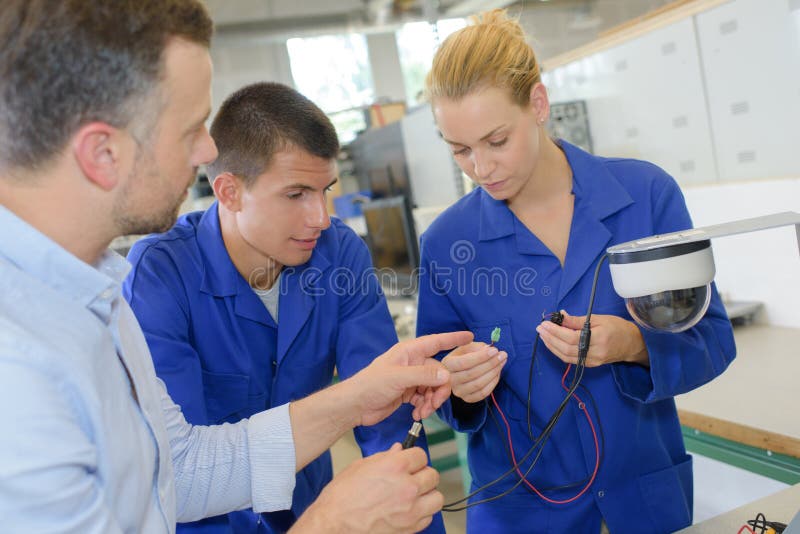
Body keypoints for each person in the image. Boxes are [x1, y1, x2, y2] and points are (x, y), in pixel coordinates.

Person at [0, 1, 475, 532]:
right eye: (190, 127)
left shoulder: (98, 297)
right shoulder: (19, 361)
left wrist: (359, 397)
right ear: (102, 152)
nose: (208, 148)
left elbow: (179, 468)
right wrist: (332, 525)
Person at [415, 9, 737, 534]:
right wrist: (458, 387)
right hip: (520, 516)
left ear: (538, 105)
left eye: (496, 141)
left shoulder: (645, 198)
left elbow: (714, 341)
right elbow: (439, 391)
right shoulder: (449, 245)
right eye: (460, 151)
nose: (480, 167)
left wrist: (633, 344)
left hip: (644, 504)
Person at [122, 81, 443, 533]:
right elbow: (181, 470)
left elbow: (385, 413)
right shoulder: (161, 276)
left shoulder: (340, 253)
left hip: (312, 507)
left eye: (325, 190)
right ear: (229, 191)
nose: (321, 217)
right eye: (296, 195)